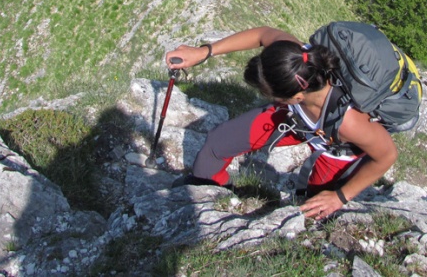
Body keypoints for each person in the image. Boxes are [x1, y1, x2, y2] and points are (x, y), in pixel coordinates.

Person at [165, 25, 398, 220]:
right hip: (296, 117)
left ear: (296, 97)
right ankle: (212, 190)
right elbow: (263, 34)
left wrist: (340, 197)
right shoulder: (296, 58)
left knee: (314, 207)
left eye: (269, 94)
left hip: (336, 146)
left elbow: (386, 155)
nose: (267, 98)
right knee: (217, 145)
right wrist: (204, 52)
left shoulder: (351, 124)